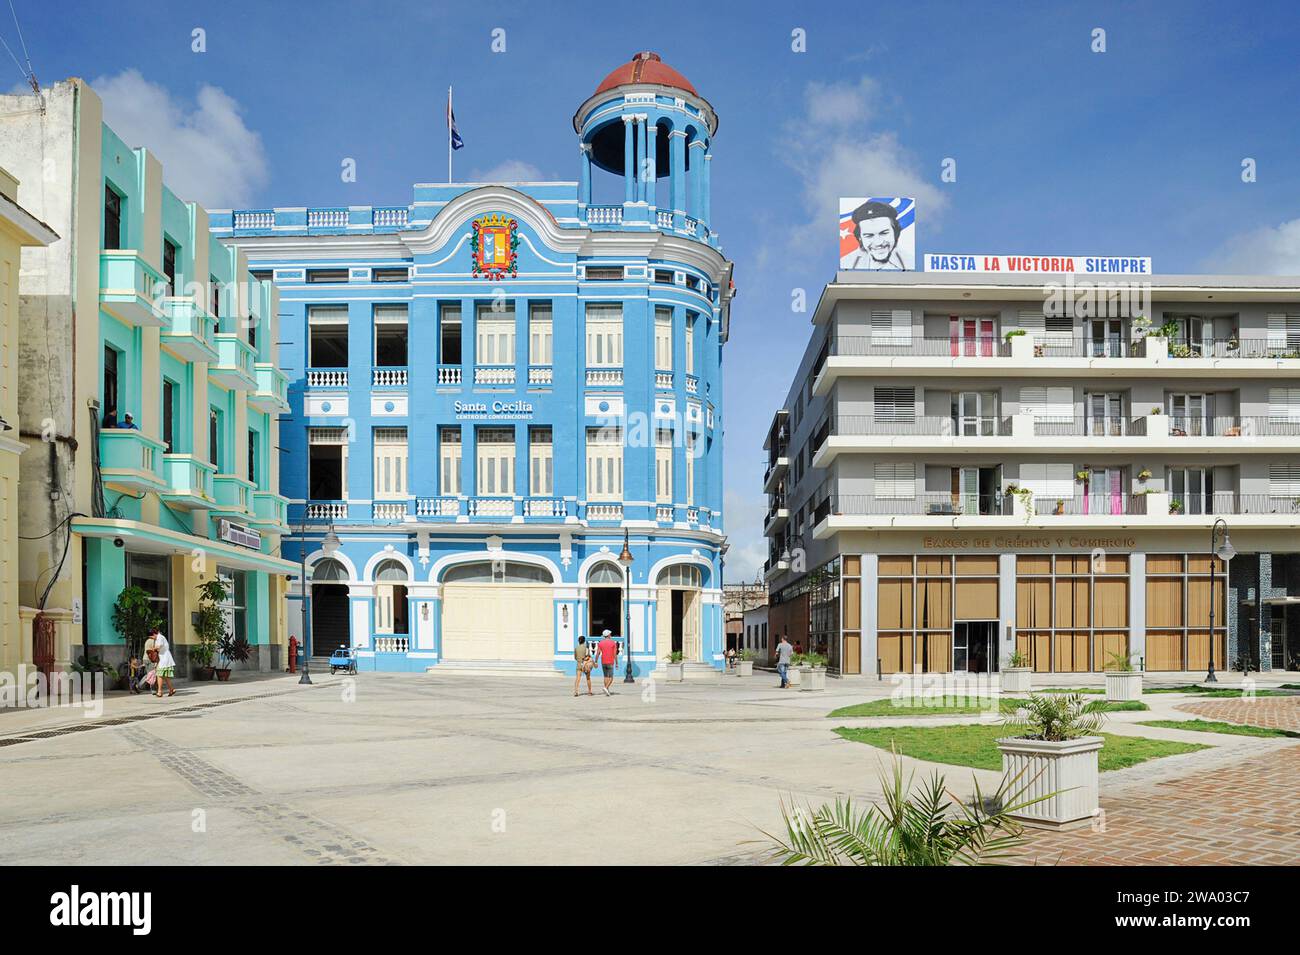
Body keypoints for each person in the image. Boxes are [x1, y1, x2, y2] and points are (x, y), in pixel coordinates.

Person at [842, 199, 909, 271]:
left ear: (895, 233)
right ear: (860, 238)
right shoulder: (846, 263)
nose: (878, 242)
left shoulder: (909, 262)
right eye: (869, 236)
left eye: (884, 233)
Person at [151, 627, 176, 698]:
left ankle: (159, 692)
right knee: (165, 676)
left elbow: (158, 647)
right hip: (164, 659)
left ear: (153, 634)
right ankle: (171, 689)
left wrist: (153, 648)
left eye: (151, 636)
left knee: (159, 675)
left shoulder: (160, 637)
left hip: (164, 659)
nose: (152, 638)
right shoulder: (160, 638)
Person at [595, 628, 619, 696]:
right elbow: (615, 654)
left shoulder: (600, 643)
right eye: (610, 634)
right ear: (608, 635)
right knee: (611, 677)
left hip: (603, 662)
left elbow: (598, 653)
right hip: (610, 662)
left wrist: (596, 661)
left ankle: (607, 690)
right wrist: (617, 663)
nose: (611, 635)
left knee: (605, 676)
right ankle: (606, 688)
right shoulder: (613, 643)